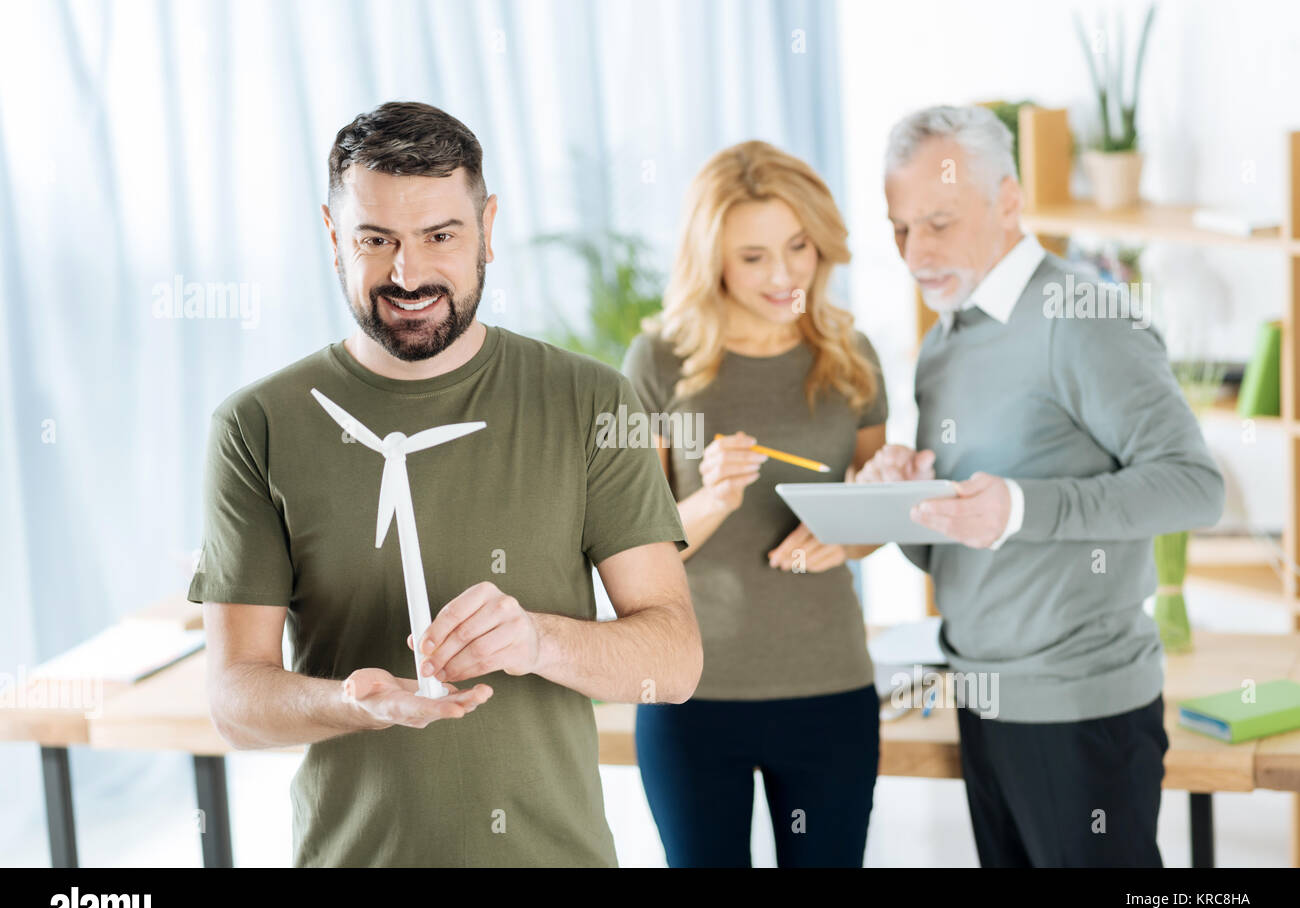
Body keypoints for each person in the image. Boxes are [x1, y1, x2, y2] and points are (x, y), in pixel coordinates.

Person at [188, 101, 701, 867]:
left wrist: (537, 639)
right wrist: (348, 702)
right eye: (376, 239)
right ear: (333, 237)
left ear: (487, 227)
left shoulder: (590, 401)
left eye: (440, 235)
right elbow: (235, 704)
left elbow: (676, 662)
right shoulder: (257, 426)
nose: (408, 273)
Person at [858, 104, 1225, 866]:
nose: (915, 251)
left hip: (1079, 708)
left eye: (939, 221)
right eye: (900, 227)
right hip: (982, 701)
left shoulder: (1082, 319)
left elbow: (1194, 486)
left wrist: (1022, 506)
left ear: (1009, 201)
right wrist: (902, 505)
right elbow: (952, 556)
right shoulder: (944, 343)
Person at [623, 140, 889, 867]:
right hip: (692, 697)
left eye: (798, 246)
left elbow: (875, 515)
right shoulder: (660, 365)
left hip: (829, 686)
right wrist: (712, 497)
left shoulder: (851, 356)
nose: (783, 274)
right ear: (711, 259)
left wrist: (849, 528)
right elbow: (637, 555)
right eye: (753, 257)